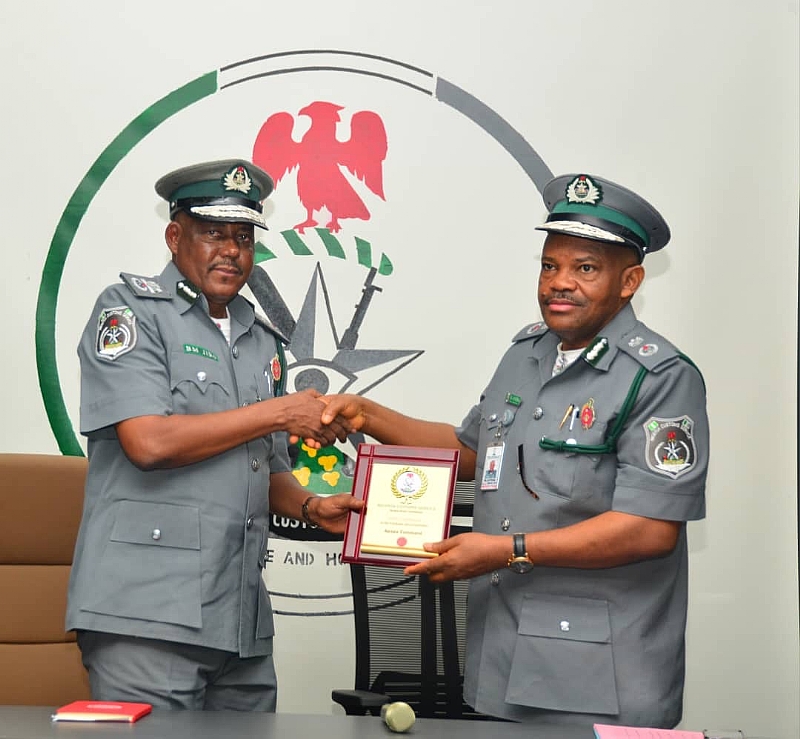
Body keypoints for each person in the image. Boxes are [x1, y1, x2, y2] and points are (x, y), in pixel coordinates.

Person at [321, 173, 709, 729]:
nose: (559, 284)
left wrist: (506, 550)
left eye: (585, 269)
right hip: (504, 653)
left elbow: (650, 529)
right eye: (550, 266)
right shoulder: (526, 354)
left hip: (601, 671)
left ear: (629, 282)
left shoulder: (659, 377)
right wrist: (369, 415)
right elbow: (473, 452)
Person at [66, 158, 362, 711]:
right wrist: (279, 412)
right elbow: (148, 443)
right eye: (213, 234)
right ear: (174, 237)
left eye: (243, 238)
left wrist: (311, 507)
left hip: (240, 622)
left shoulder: (261, 339)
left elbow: (265, 469)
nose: (231, 251)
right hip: (148, 616)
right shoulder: (130, 311)